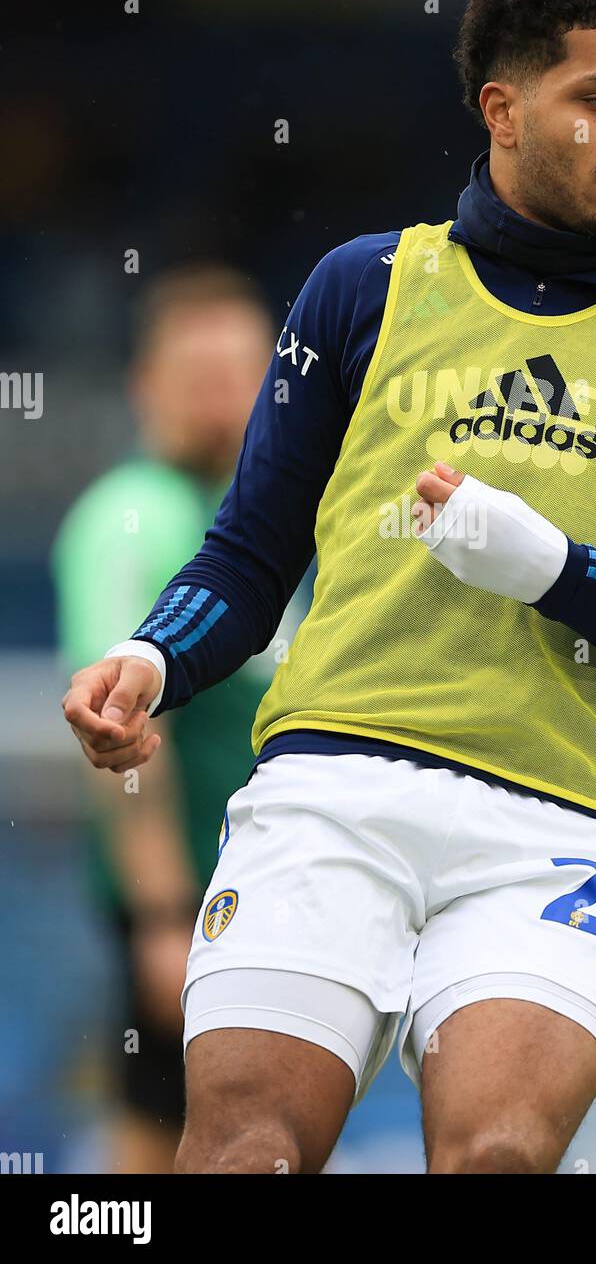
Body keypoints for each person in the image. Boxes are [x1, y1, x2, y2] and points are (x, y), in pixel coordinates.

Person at [61, 0, 596, 1175]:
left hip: (554, 823)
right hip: (326, 790)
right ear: (502, 111)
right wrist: (152, 654)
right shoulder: (362, 288)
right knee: (243, 1155)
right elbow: (244, 558)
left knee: (494, 1158)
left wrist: (551, 567)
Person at [53, 266, 312, 1172]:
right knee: (168, 1137)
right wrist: (162, 918)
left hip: (275, 896)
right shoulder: (133, 518)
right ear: (144, 386)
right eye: (195, 377)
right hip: (196, 902)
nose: (220, 400)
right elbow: (123, 737)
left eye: (239, 375)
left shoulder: (272, 523)